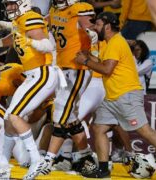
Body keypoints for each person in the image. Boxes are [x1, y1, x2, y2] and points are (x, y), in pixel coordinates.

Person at [0, 0, 58, 179]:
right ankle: (2, 166)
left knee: (15, 116)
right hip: (32, 74)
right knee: (8, 119)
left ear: (23, 3)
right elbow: (13, 38)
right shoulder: (21, 20)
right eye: (8, 4)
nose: (9, 7)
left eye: (13, 4)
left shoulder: (30, 18)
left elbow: (47, 46)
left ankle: (37, 160)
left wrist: (29, 41)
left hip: (43, 72)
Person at [75, 11, 156, 178]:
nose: (94, 27)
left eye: (97, 24)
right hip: (113, 97)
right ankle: (104, 170)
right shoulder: (111, 42)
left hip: (126, 95)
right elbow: (105, 63)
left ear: (107, 26)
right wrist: (90, 57)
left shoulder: (115, 42)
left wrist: (85, 61)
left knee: (145, 131)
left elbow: (107, 69)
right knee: (98, 128)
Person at [37, 0, 97, 176]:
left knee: (60, 114)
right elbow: (42, 22)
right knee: (69, 117)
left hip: (79, 69)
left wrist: (92, 32)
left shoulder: (79, 8)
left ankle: (48, 160)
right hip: (64, 68)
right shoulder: (55, 10)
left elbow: (91, 26)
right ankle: (86, 157)